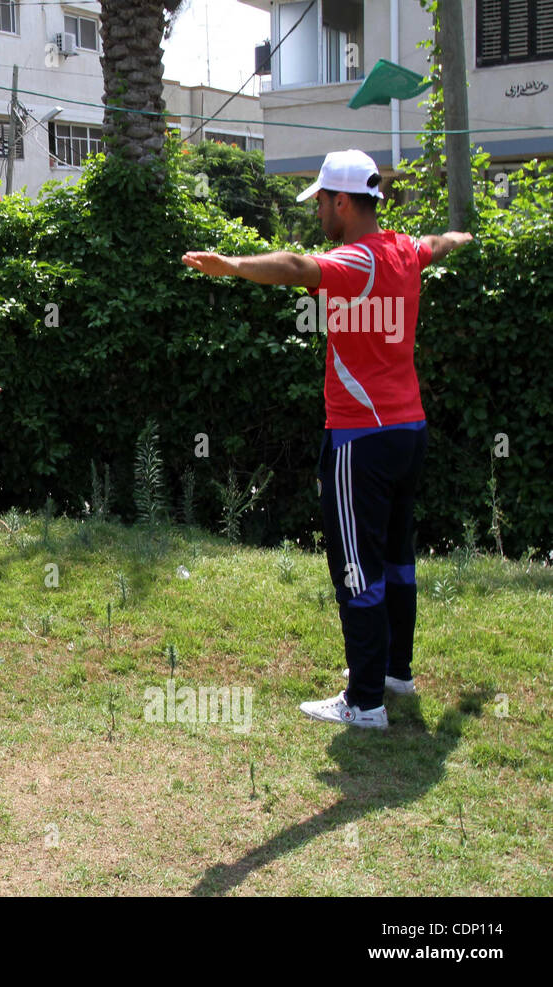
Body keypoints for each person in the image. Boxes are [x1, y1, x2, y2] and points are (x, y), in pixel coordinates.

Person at [181, 149, 473, 729]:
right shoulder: (402, 250)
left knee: (357, 569)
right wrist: (461, 237)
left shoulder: (357, 261)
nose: (317, 212)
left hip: (360, 440)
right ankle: (395, 672)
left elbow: (295, 266)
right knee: (396, 559)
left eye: (319, 201)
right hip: (408, 431)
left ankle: (364, 702)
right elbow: (435, 246)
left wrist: (233, 266)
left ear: (343, 202)